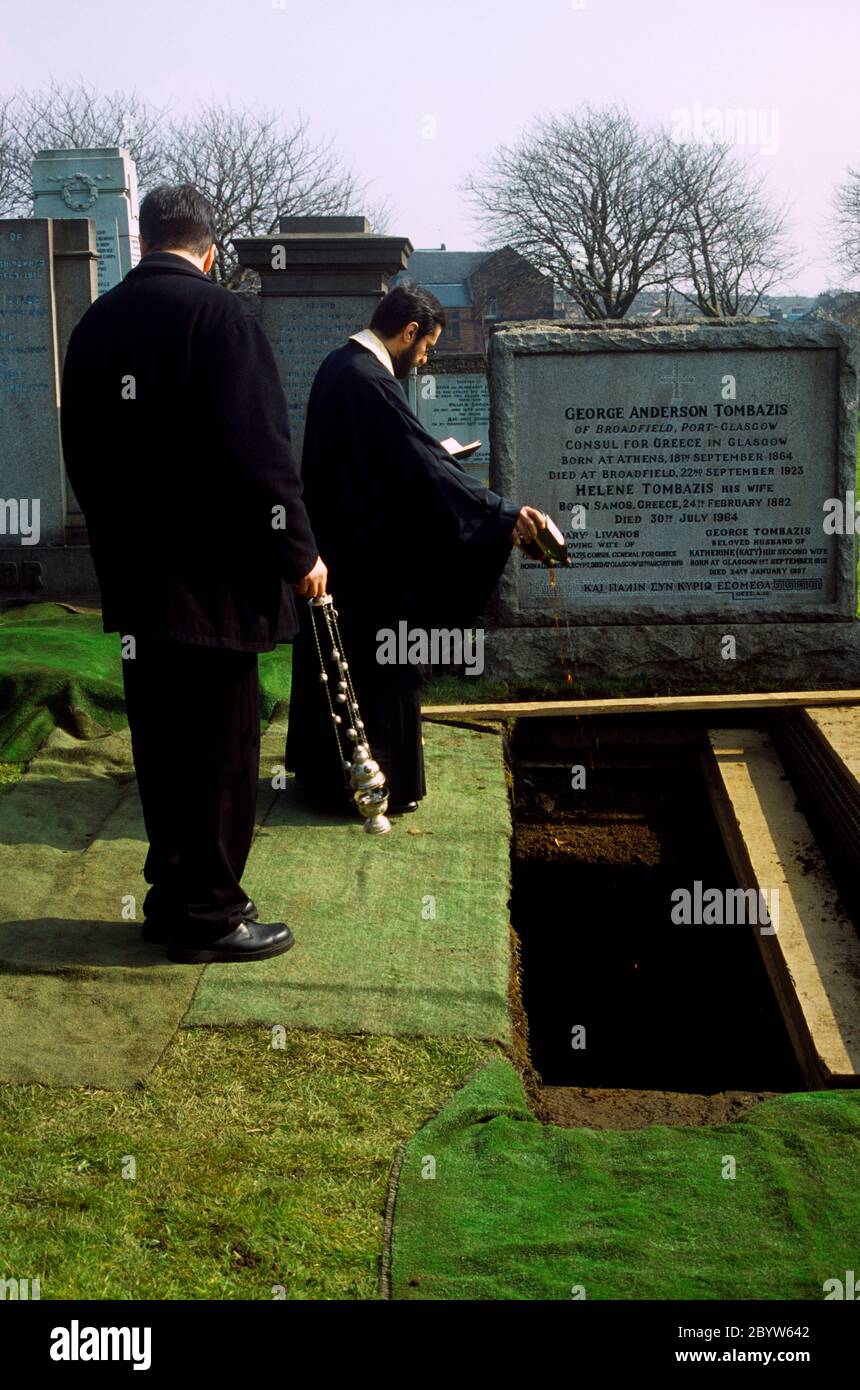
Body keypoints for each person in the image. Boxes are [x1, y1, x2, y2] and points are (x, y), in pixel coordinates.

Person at [60, 184, 327, 964]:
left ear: (144, 241)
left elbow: (84, 455)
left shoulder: (96, 325)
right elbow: (262, 456)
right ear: (209, 250)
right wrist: (301, 554)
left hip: (141, 584)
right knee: (219, 754)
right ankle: (210, 914)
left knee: (165, 749)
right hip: (216, 585)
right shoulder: (223, 318)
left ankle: (171, 899)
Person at [285, 281, 545, 814]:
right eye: (426, 348)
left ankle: (330, 779)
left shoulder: (339, 365)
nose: (424, 360)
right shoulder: (370, 380)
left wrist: (436, 462)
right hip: (365, 565)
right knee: (376, 668)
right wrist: (500, 513)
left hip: (343, 548)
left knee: (340, 669)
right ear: (408, 332)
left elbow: (390, 465)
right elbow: (419, 467)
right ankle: (377, 785)